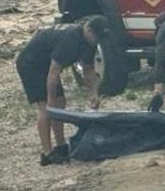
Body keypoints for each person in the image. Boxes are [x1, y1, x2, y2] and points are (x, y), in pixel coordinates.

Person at [15, 16, 109, 165]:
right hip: (31, 63)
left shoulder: (89, 42)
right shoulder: (71, 39)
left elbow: (88, 70)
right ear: (89, 30)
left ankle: (61, 146)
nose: (97, 41)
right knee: (46, 107)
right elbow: (54, 71)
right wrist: (50, 99)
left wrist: (93, 93)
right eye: (97, 37)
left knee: (60, 103)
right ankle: (47, 153)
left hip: (48, 66)